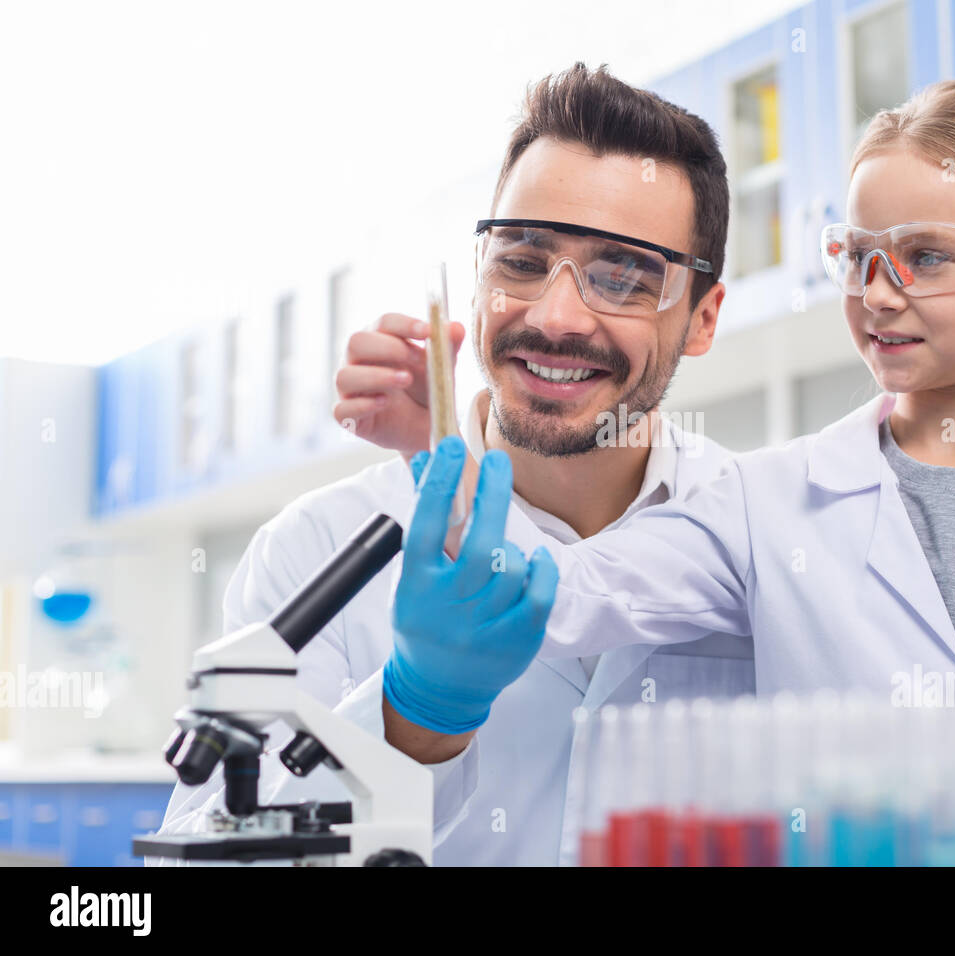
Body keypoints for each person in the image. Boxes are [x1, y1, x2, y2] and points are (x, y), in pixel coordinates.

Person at [399, 79, 955, 866]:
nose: (879, 293)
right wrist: (439, 469)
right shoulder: (767, 503)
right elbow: (577, 588)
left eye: (925, 257)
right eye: (859, 256)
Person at [152, 62, 755, 866]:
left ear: (703, 318)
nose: (557, 316)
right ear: (475, 280)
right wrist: (408, 721)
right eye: (523, 259)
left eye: (624, 276)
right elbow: (202, 858)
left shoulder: (762, 533)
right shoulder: (315, 550)